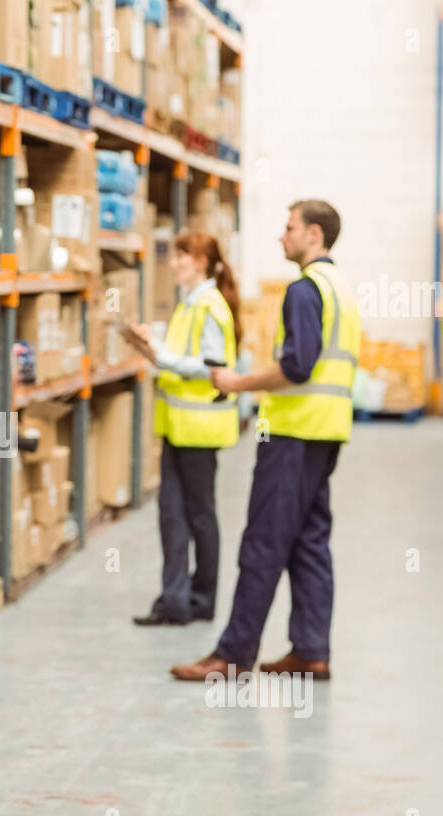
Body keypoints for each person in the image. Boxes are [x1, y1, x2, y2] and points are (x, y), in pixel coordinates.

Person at [170, 200, 360, 682]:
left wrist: (238, 383)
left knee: (262, 544)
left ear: (313, 235)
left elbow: (297, 367)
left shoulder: (304, 290)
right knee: (309, 542)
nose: (282, 237)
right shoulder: (340, 287)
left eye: (289, 228)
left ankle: (231, 657)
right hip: (325, 432)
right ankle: (311, 651)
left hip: (293, 433)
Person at [123, 231, 240, 626]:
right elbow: (184, 351)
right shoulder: (190, 304)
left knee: (199, 515)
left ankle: (201, 600)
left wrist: (160, 355)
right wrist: (151, 341)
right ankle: (175, 601)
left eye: (182, 257)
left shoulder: (210, 305)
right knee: (172, 513)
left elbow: (212, 365)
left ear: (203, 262)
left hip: (199, 427)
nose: (174, 264)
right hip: (178, 425)